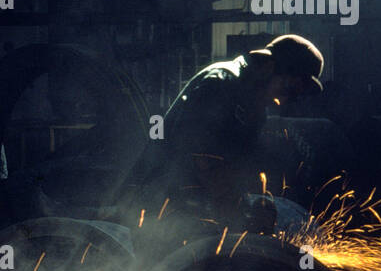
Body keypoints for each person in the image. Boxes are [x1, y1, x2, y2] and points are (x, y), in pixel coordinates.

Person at [134, 34, 324, 227]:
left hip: (197, 204)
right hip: (162, 206)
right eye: (286, 89)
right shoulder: (219, 83)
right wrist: (237, 208)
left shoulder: (255, 109)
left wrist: (251, 203)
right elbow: (203, 158)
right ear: (268, 67)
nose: (282, 101)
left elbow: (237, 169)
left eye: (292, 96)